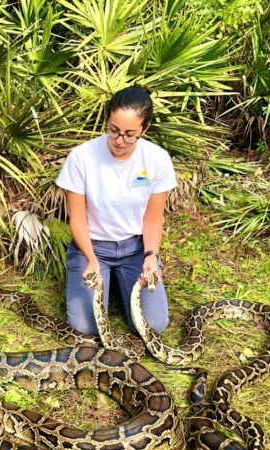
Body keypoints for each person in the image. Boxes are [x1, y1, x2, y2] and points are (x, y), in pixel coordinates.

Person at [56, 86, 176, 337]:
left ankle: (121, 285)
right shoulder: (81, 157)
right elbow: (76, 218)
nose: (120, 140)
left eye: (129, 134)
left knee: (153, 326)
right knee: (85, 327)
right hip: (92, 245)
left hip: (135, 248)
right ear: (107, 121)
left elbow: (153, 220)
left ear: (145, 129)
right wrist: (90, 259)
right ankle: (107, 281)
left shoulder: (157, 159)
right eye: (113, 130)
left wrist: (151, 256)